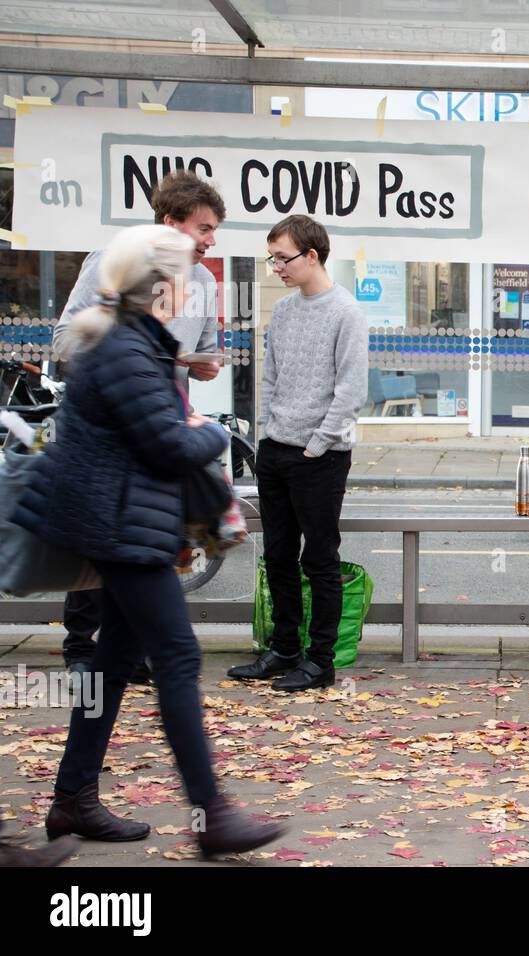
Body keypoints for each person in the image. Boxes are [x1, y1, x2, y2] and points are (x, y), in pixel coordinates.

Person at [11, 224, 285, 857]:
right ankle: (211, 815)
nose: (194, 282)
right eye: (188, 270)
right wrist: (216, 433)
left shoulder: (132, 340)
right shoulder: (127, 349)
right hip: (121, 530)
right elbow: (165, 445)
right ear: (164, 285)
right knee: (178, 659)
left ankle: (72, 800)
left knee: (111, 662)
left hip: (126, 522)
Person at [50, 169, 225, 676]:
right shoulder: (110, 263)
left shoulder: (206, 279)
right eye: (204, 227)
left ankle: (133, 651)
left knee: (151, 547)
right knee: (102, 544)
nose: (212, 239)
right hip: (110, 438)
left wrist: (199, 362)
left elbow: (206, 352)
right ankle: (82, 649)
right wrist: (133, 358)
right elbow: (66, 341)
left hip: (162, 430)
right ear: (171, 222)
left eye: (214, 229)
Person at [227, 215, 367, 692]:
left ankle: (320, 659)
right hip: (276, 448)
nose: (276, 268)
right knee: (278, 554)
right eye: (272, 259)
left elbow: (351, 391)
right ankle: (284, 649)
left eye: (282, 258)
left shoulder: (345, 312)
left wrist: (317, 444)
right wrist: (270, 430)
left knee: (320, 559)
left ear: (312, 255)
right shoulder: (284, 311)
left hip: (319, 457)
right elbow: (272, 376)